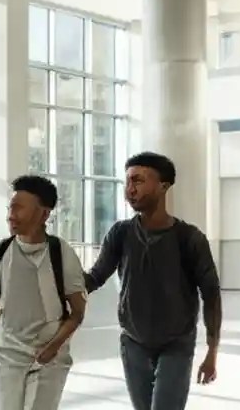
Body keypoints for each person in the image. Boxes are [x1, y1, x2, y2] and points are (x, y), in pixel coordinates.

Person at [84, 152, 221, 410]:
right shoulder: (120, 233)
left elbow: (211, 295)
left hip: (177, 342)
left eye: (137, 181)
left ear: (163, 186)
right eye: (127, 182)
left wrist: (212, 352)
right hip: (134, 341)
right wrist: (58, 278)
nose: (130, 189)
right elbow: (95, 277)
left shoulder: (189, 238)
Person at [0, 175, 87, 410]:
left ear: (44, 214)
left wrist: (53, 347)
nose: (11, 214)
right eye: (10, 207)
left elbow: (78, 312)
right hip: (9, 355)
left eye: (19, 208)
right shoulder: (2, 251)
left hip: (49, 356)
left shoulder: (61, 253)